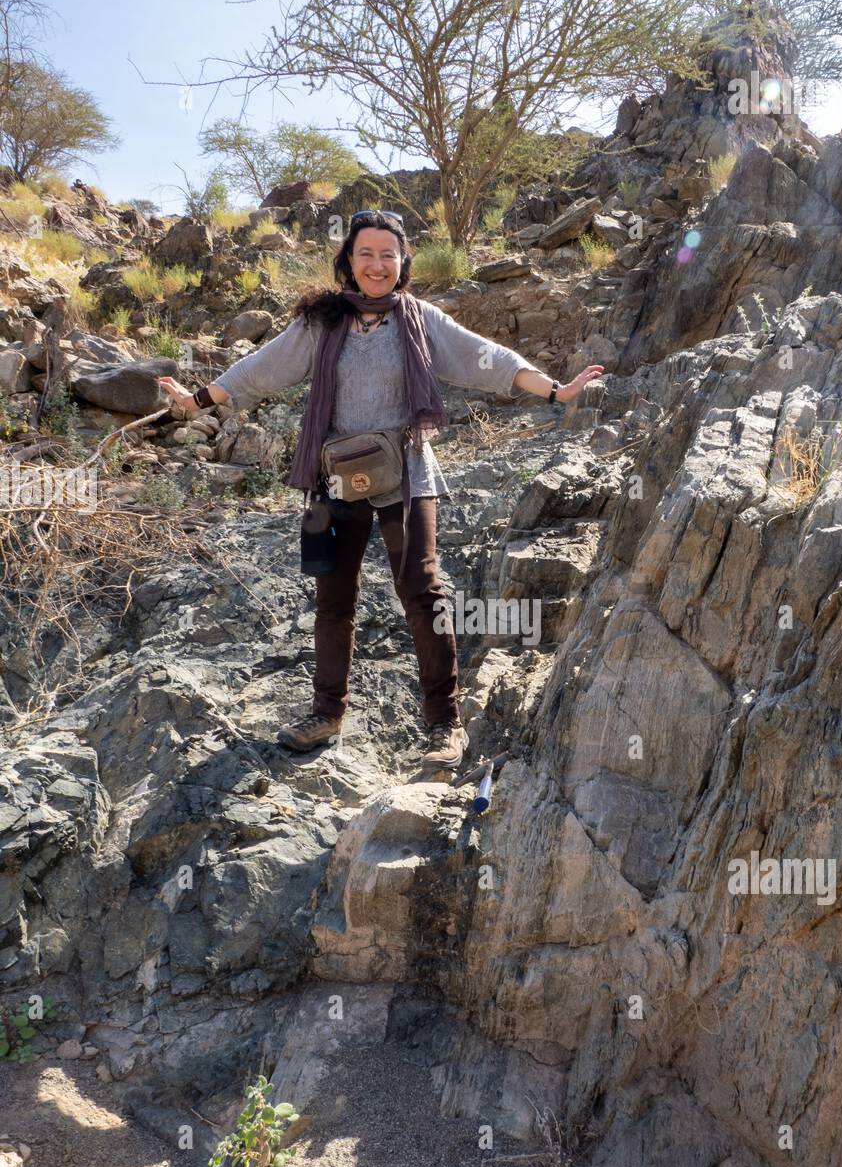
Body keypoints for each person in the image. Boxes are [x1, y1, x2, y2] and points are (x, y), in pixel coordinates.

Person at [159, 208, 603, 770]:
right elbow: (260, 368)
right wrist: (196, 400)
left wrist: (556, 391)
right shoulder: (321, 322)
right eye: (366, 253)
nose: (377, 264)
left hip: (409, 471)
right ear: (348, 261)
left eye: (388, 255)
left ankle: (444, 726)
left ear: (403, 263)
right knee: (332, 597)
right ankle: (326, 713)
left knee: (422, 591)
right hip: (334, 475)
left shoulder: (420, 319)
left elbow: (486, 358)